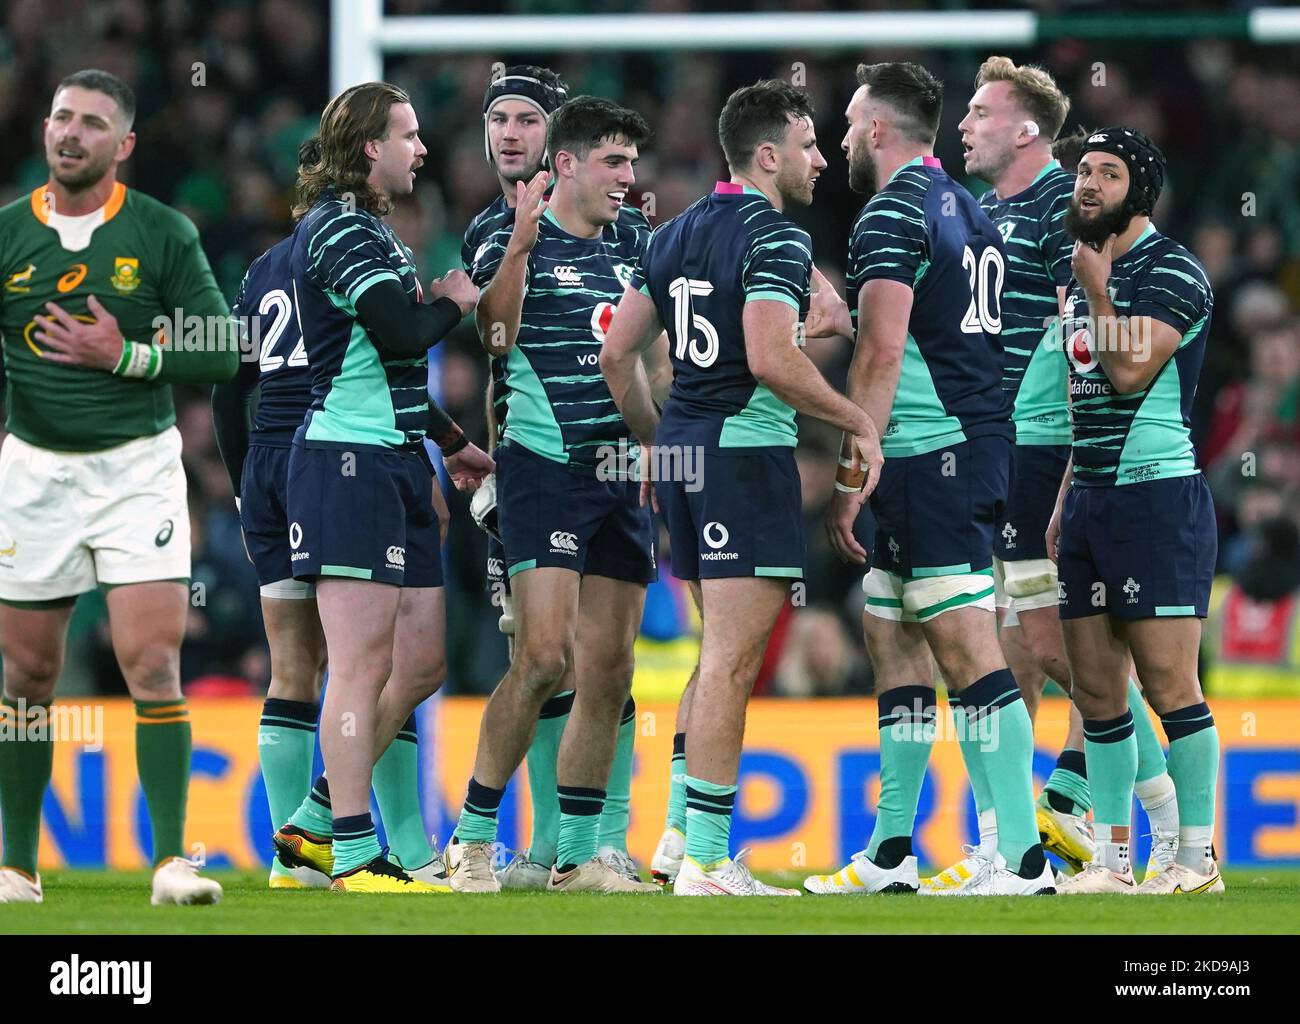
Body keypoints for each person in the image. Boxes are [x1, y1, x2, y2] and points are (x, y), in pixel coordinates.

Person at [601, 79, 880, 896]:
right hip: (742, 456)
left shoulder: (678, 231)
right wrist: (855, 418)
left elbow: (621, 354)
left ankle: (680, 838)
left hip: (689, 454)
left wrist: (660, 444)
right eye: (807, 145)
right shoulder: (775, 239)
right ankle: (713, 863)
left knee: (713, 652)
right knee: (731, 660)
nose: (822, 158)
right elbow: (769, 357)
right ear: (768, 155)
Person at [816, 61, 1055, 896]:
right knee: (892, 629)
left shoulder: (890, 213)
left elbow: (881, 352)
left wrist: (853, 470)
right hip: (951, 444)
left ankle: (1023, 858)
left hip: (931, 451)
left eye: (849, 124)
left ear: (878, 130)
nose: (843, 138)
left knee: (961, 641)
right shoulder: (969, 212)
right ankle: (890, 852)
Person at [0, 69, 237, 906]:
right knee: (26, 677)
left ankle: (171, 862)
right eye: (61, 117)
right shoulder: (5, 235)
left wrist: (129, 355)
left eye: (92, 123)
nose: (70, 133)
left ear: (123, 145)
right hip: (33, 472)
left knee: (152, 660)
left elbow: (221, 347)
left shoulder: (161, 232)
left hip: (136, 469)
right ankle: (18, 869)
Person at [948, 55, 1180, 887]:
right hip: (996, 445)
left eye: (980, 111)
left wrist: (1077, 460)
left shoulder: (1060, 210)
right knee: (1008, 647)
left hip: (1046, 445)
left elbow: (1086, 344)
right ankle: (1015, 839)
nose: (965, 124)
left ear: (1025, 130)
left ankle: (1165, 817)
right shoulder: (981, 210)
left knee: (1050, 646)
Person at [211, 137, 456, 889]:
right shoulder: (354, 251)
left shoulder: (263, 267)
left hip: (273, 462)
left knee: (304, 666)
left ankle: (298, 857)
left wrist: (244, 487)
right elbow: (391, 361)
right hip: (340, 455)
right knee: (369, 661)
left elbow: (228, 385)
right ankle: (385, 840)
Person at [269, 82, 490, 893]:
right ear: (371, 148)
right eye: (408, 135)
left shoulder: (375, 233)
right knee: (358, 665)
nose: (421, 149)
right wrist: (455, 301)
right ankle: (355, 848)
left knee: (422, 663)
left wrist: (452, 442)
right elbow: (404, 333)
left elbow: (389, 367)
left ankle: (318, 817)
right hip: (345, 464)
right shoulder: (339, 230)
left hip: (396, 459)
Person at [445, 95, 662, 894]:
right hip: (544, 465)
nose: (627, 179)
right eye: (613, 163)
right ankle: (471, 838)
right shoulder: (512, 235)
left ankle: (576, 854)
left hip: (622, 473)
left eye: (632, 164)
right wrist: (522, 248)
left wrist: (659, 447)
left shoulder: (639, 240)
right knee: (542, 656)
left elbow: (657, 354)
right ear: (566, 164)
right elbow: (494, 339)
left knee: (609, 669)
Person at [1049, 127, 1222, 895]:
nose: (1087, 184)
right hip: (1089, 500)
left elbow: (1125, 373)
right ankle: (1114, 862)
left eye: (1106, 173)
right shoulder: (1080, 266)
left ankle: (1195, 861)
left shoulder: (1173, 270)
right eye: (1083, 170)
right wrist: (1063, 499)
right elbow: (1078, 401)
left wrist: (1094, 291)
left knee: (1168, 682)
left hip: (1156, 496)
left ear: (1139, 192)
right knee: (1095, 690)